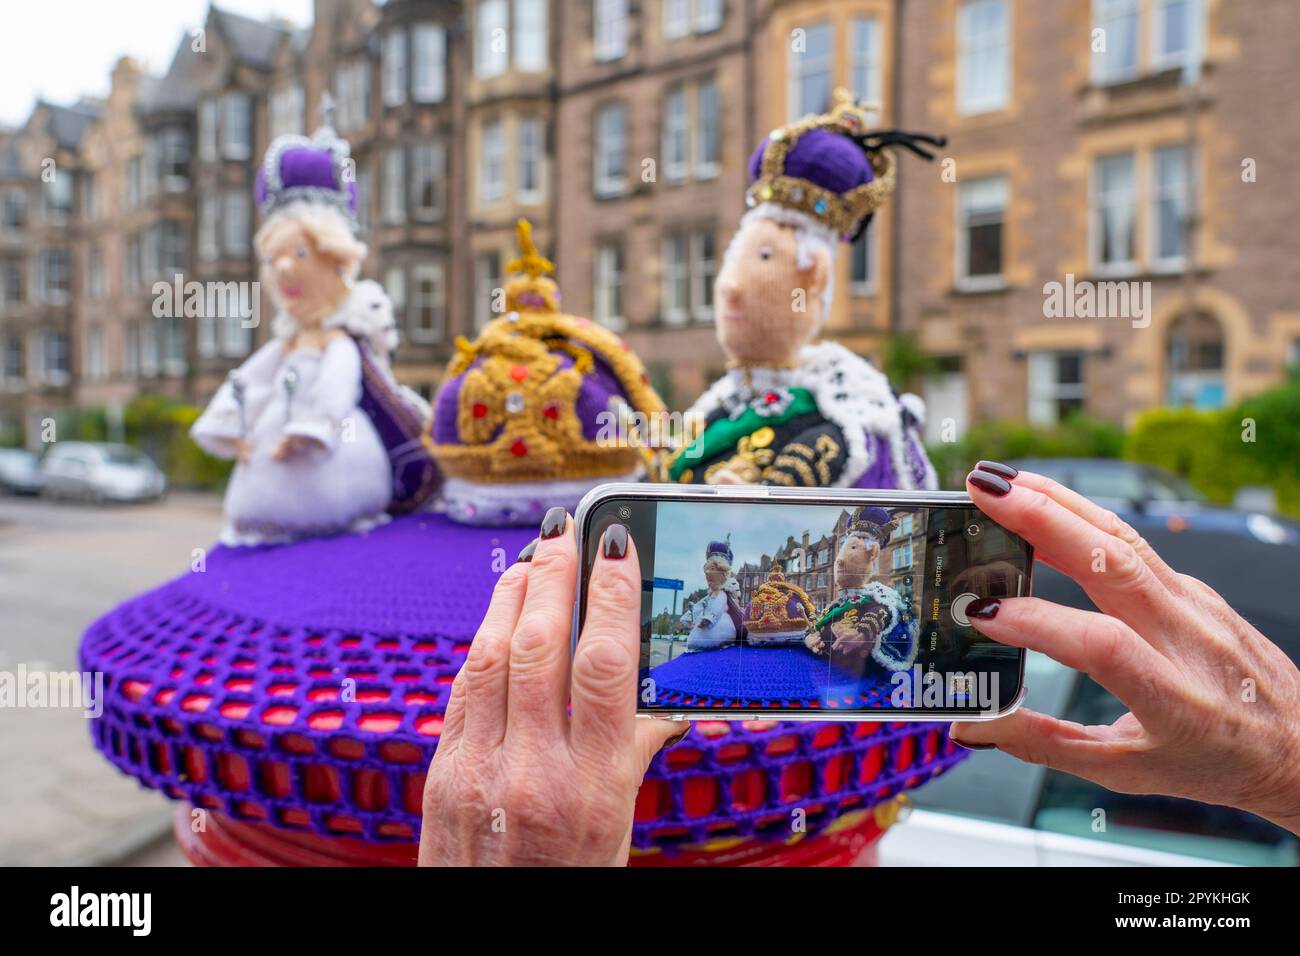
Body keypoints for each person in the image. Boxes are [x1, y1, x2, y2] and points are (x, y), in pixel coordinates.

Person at [419, 461, 1300, 865]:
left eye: (856, 555)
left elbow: (853, 644)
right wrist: (1278, 770)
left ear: (870, 562)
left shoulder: (866, 605)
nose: (845, 565)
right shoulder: (778, 606)